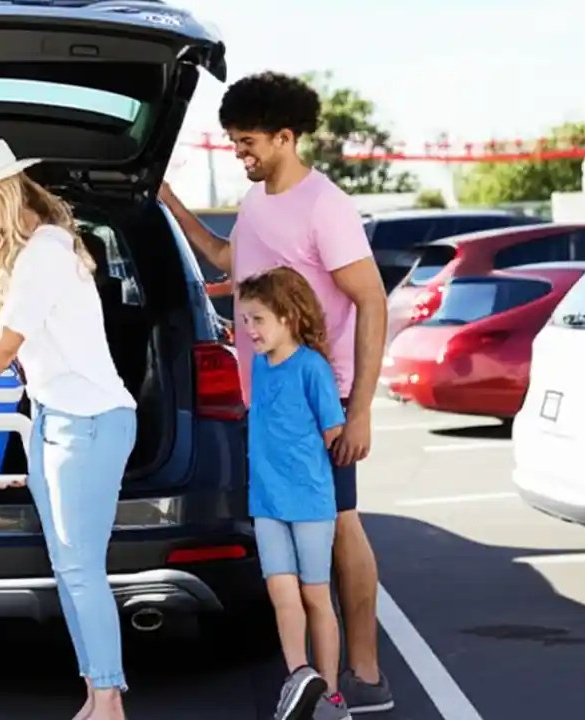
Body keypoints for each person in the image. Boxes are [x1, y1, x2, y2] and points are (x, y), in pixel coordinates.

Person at [158, 71, 394, 714]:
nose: (240, 153)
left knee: (343, 526)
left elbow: (372, 302)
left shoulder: (325, 205)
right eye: (235, 142)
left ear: (286, 137)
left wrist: (362, 408)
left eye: (248, 142)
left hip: (328, 395)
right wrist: (173, 204)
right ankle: (319, 671)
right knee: (312, 536)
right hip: (267, 400)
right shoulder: (258, 202)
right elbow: (228, 264)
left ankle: (365, 671)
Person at [0, 138, 138, 720]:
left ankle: (108, 699)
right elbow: (29, 347)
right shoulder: (44, 249)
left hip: (86, 422)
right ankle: (95, 694)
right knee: (68, 568)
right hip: (54, 419)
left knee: (82, 568)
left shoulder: (44, 251)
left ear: (1, 192)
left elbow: (6, 344)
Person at [238, 267, 351, 720]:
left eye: (258, 320)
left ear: (287, 316)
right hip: (266, 503)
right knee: (283, 595)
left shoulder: (311, 367)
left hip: (308, 503)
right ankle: (300, 679)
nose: (249, 330)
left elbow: (333, 431)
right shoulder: (259, 367)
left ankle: (331, 696)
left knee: (316, 597)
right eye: (245, 321)